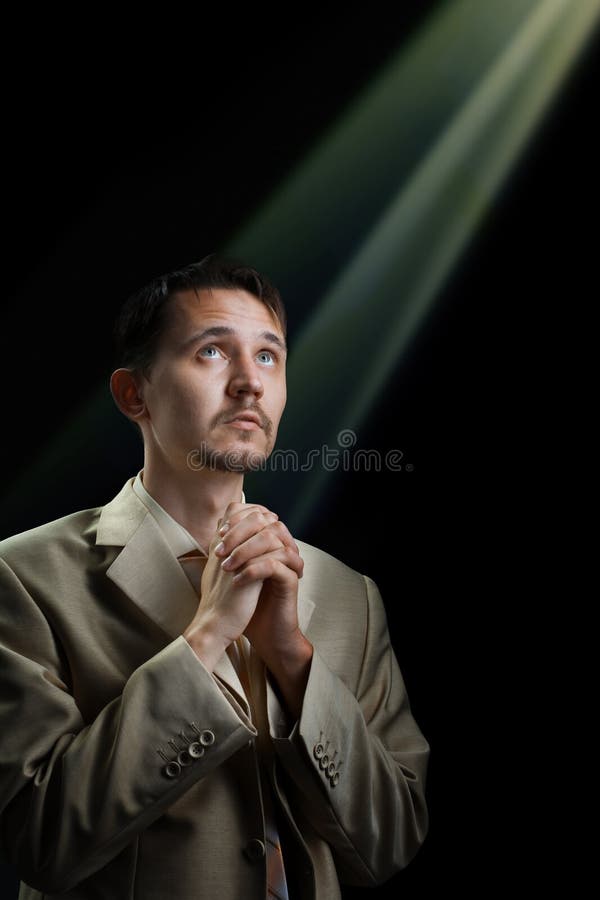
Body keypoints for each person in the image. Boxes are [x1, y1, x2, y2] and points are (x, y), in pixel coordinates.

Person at [0, 254, 429, 900]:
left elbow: (392, 842)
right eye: (211, 353)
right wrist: (206, 640)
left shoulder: (349, 595)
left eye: (268, 357)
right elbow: (43, 841)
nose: (249, 383)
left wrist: (292, 656)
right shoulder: (23, 577)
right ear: (133, 394)